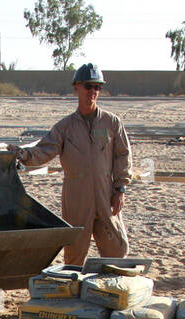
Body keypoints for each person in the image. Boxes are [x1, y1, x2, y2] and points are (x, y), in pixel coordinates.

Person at [9, 64, 133, 267]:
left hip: (106, 195)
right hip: (76, 197)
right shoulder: (64, 128)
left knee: (117, 249)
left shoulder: (112, 123)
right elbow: (44, 151)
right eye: (88, 86)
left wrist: (120, 189)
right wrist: (23, 154)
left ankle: (109, 292)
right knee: (74, 253)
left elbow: (123, 156)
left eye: (97, 87)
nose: (93, 92)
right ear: (77, 87)